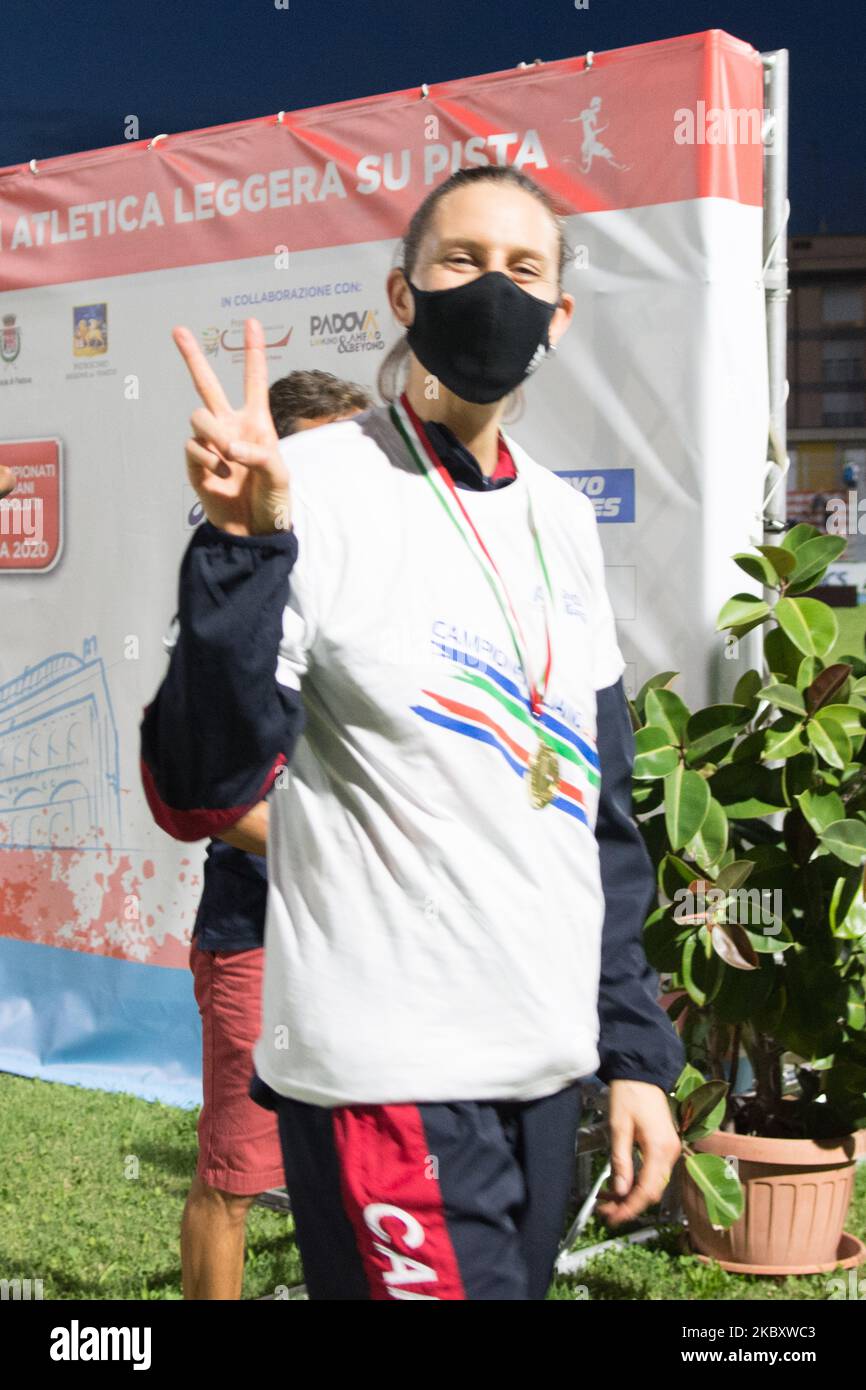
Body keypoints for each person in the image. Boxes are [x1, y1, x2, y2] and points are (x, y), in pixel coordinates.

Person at [141, 164, 685, 1301]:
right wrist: (239, 551)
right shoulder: (320, 485)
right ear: (402, 295)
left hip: (541, 1066)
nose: (492, 289)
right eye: (459, 262)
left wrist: (632, 1053)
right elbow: (198, 782)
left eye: (521, 268)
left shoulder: (563, 519)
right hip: (387, 1073)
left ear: (558, 316)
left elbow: (603, 816)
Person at [177, 370, 372, 1301]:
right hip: (257, 934)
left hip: (371, 948)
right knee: (236, 1180)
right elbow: (211, 797)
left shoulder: (373, 579)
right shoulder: (228, 583)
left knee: (368, 1177)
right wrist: (343, 850)